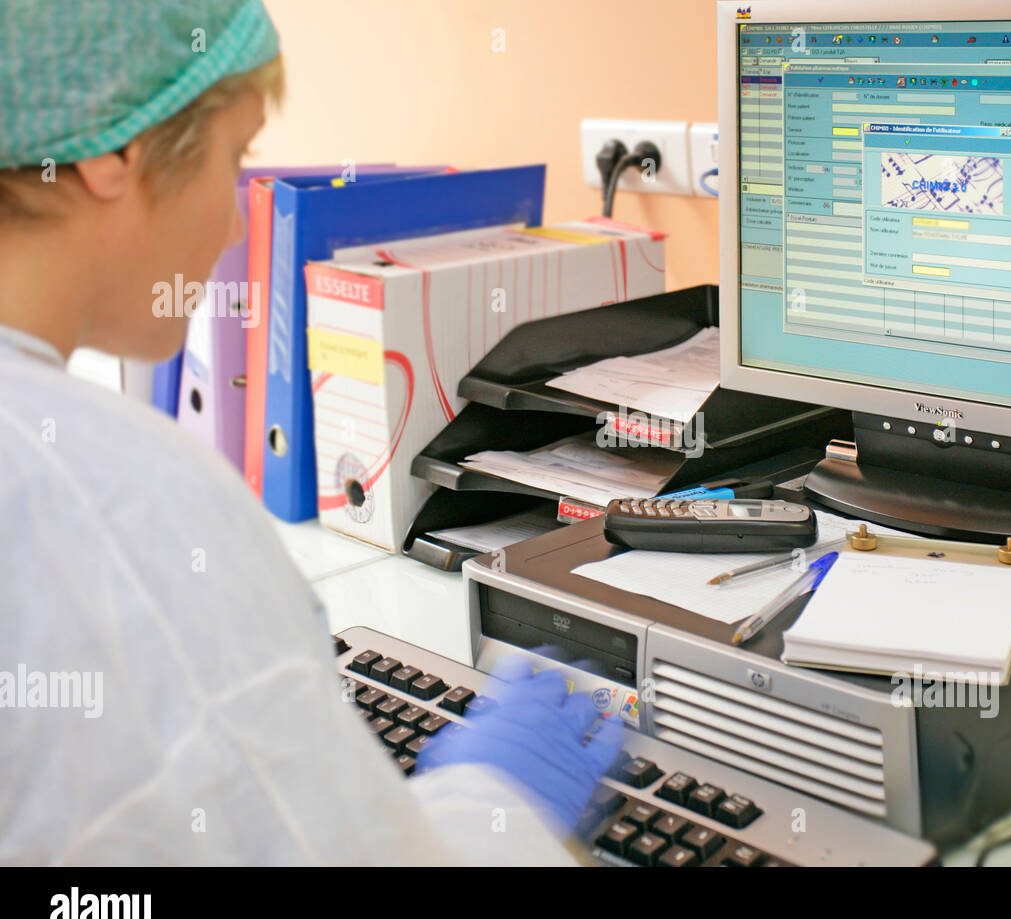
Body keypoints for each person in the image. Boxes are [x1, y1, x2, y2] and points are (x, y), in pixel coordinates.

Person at [0, 0, 621, 865]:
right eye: (234, 161)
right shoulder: (116, 504)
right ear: (114, 154)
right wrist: (500, 805)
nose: (233, 226)